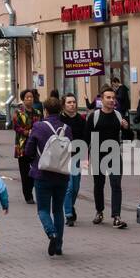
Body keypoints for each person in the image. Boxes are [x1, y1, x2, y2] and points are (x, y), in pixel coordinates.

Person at [24, 96, 74, 257]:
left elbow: (29, 150)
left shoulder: (38, 126)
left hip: (42, 174)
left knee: (43, 209)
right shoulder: (67, 128)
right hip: (61, 175)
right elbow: (71, 149)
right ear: (60, 110)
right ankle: (58, 245)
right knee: (58, 210)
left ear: (45, 110)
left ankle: (51, 233)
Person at [88, 86, 129, 228]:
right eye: (108, 97)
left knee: (116, 184)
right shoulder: (94, 116)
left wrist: (126, 127)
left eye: (113, 98)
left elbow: (127, 136)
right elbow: (87, 137)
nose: (112, 100)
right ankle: (99, 211)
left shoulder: (118, 115)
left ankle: (116, 216)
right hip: (97, 154)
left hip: (114, 154)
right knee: (99, 185)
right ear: (101, 99)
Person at [11, 89, 43, 204]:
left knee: (35, 170)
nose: (29, 99)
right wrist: (27, 132)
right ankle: (28, 195)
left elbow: (41, 125)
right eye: (27, 97)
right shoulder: (18, 112)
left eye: (31, 97)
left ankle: (31, 189)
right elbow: (16, 127)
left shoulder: (38, 112)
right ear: (23, 99)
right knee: (25, 172)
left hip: (35, 145)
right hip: (22, 145)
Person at [59, 93, 85, 227]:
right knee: (68, 187)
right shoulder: (59, 120)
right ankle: (68, 214)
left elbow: (86, 138)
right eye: (69, 102)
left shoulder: (81, 120)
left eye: (74, 102)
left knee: (75, 187)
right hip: (63, 157)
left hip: (77, 156)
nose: (72, 104)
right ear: (63, 105)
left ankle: (70, 205)